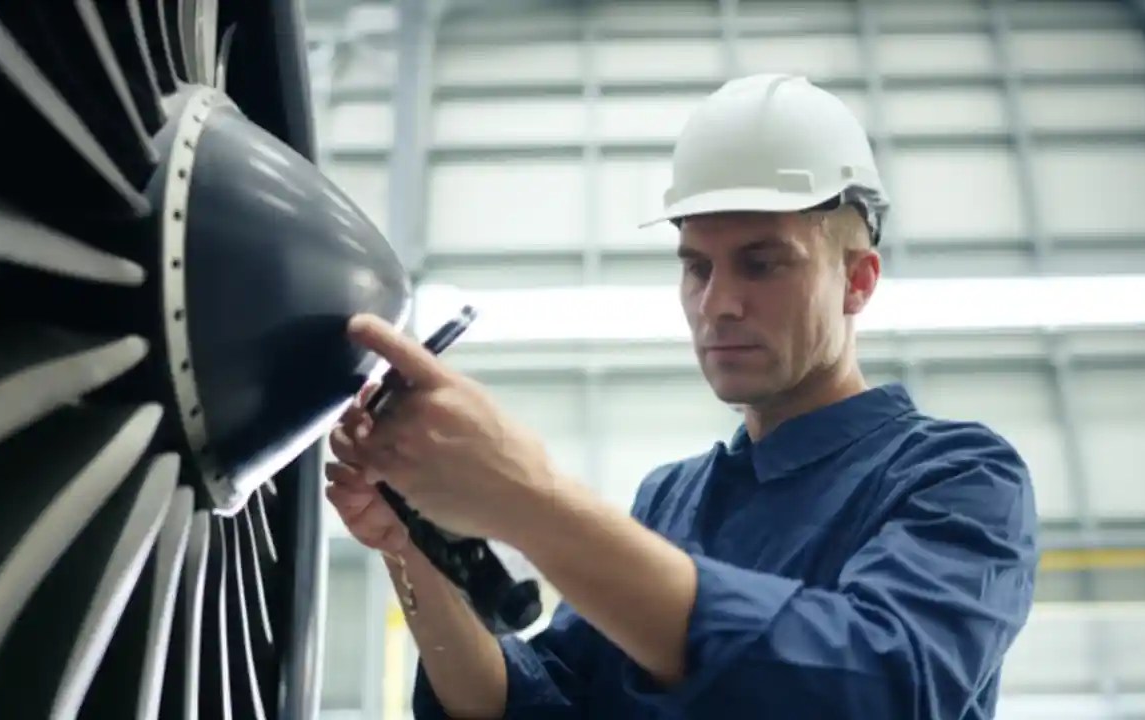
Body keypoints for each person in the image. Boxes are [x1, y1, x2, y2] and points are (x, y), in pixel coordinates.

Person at [325, 73, 1038, 719]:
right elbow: (536, 705)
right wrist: (409, 544)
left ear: (858, 280)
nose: (718, 303)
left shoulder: (960, 477)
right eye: (696, 267)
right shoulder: (672, 500)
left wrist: (527, 499)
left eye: (762, 264)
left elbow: (872, 688)